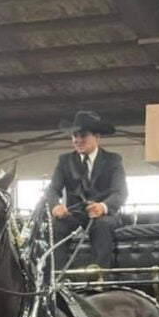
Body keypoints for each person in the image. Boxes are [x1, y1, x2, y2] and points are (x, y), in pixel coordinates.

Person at [43, 110, 127, 269]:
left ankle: (98, 278)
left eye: (83, 135)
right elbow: (53, 190)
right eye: (75, 136)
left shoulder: (113, 160)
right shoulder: (64, 161)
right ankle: (57, 279)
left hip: (104, 216)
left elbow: (120, 192)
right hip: (75, 214)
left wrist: (103, 207)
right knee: (55, 226)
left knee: (102, 225)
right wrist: (56, 206)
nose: (78, 140)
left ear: (97, 136)